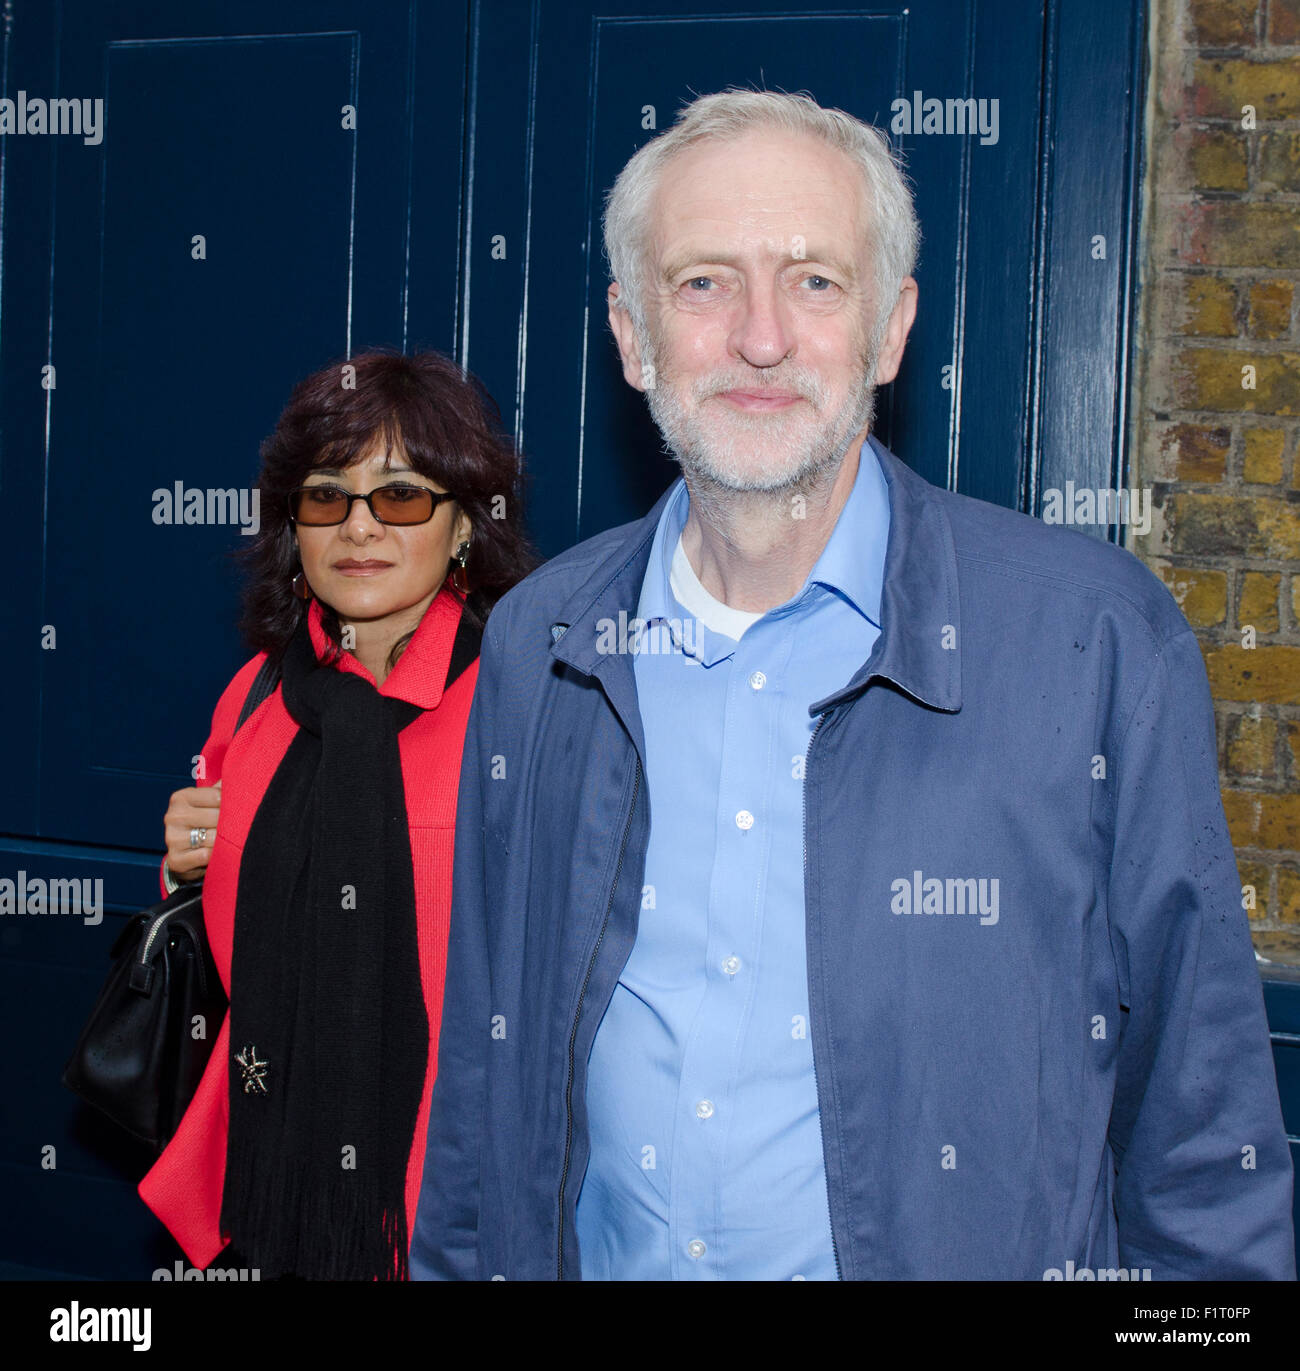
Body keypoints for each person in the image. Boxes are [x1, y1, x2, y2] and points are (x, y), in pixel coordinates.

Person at [409, 91, 1295, 1281]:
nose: (761, 337)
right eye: (704, 283)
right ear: (631, 336)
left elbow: (1202, 1126)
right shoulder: (540, 642)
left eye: (816, 282)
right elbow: (483, 1070)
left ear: (889, 331)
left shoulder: (1093, 642)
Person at [141, 349, 536, 1279]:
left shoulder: (525, 701)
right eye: (327, 498)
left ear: (465, 528)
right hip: (262, 1182)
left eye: (399, 497)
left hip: (454, 1197)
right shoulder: (255, 697)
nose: (359, 528)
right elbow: (219, 916)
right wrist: (182, 861)